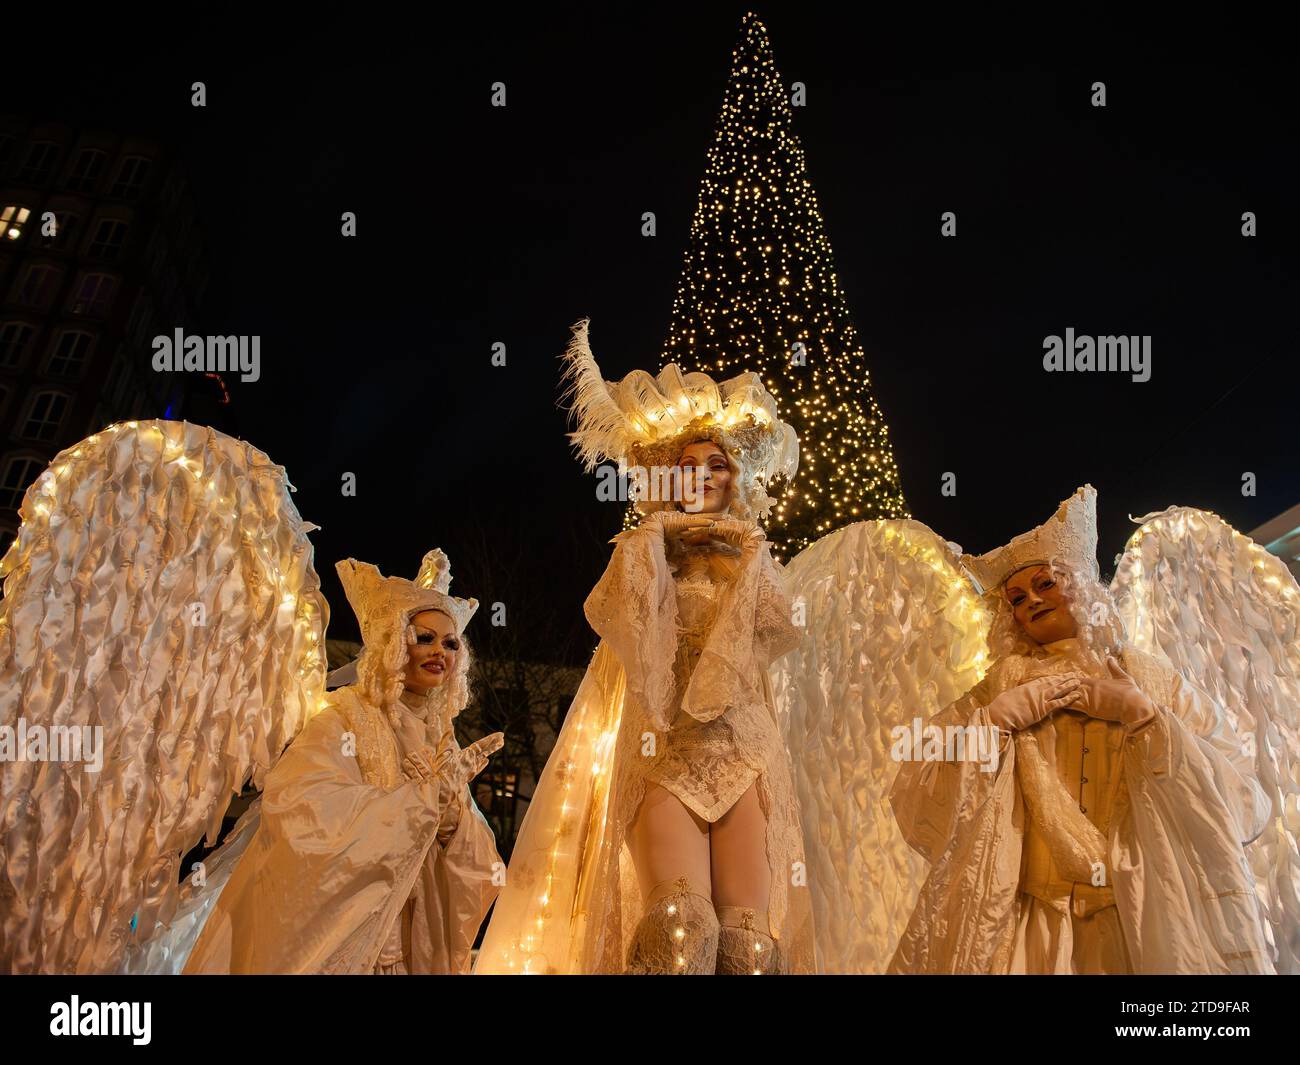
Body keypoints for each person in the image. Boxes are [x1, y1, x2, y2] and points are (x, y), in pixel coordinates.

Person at [475, 317, 814, 973]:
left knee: (748, 940)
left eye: (717, 465)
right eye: (688, 466)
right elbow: (615, 617)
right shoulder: (638, 551)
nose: (703, 476)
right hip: (663, 745)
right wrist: (667, 550)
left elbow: (787, 625)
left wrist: (742, 561)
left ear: (733, 479)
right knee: (681, 923)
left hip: (744, 751)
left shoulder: (755, 557)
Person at [887, 486, 1273, 973]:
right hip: (1032, 925)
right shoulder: (996, 689)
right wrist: (992, 723)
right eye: (1018, 598)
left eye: (1046, 584)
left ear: (1084, 585)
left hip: (1136, 917)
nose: (1031, 601)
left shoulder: (1145, 677)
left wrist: (1148, 719)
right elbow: (918, 786)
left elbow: (1243, 798)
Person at [184, 549, 504, 974]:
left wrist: (453, 823)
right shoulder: (344, 716)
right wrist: (420, 802)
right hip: (361, 937)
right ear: (393, 642)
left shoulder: (440, 734)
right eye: (424, 637)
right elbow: (301, 810)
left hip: (417, 938)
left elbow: (481, 866)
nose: (439, 652)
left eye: (450, 643)